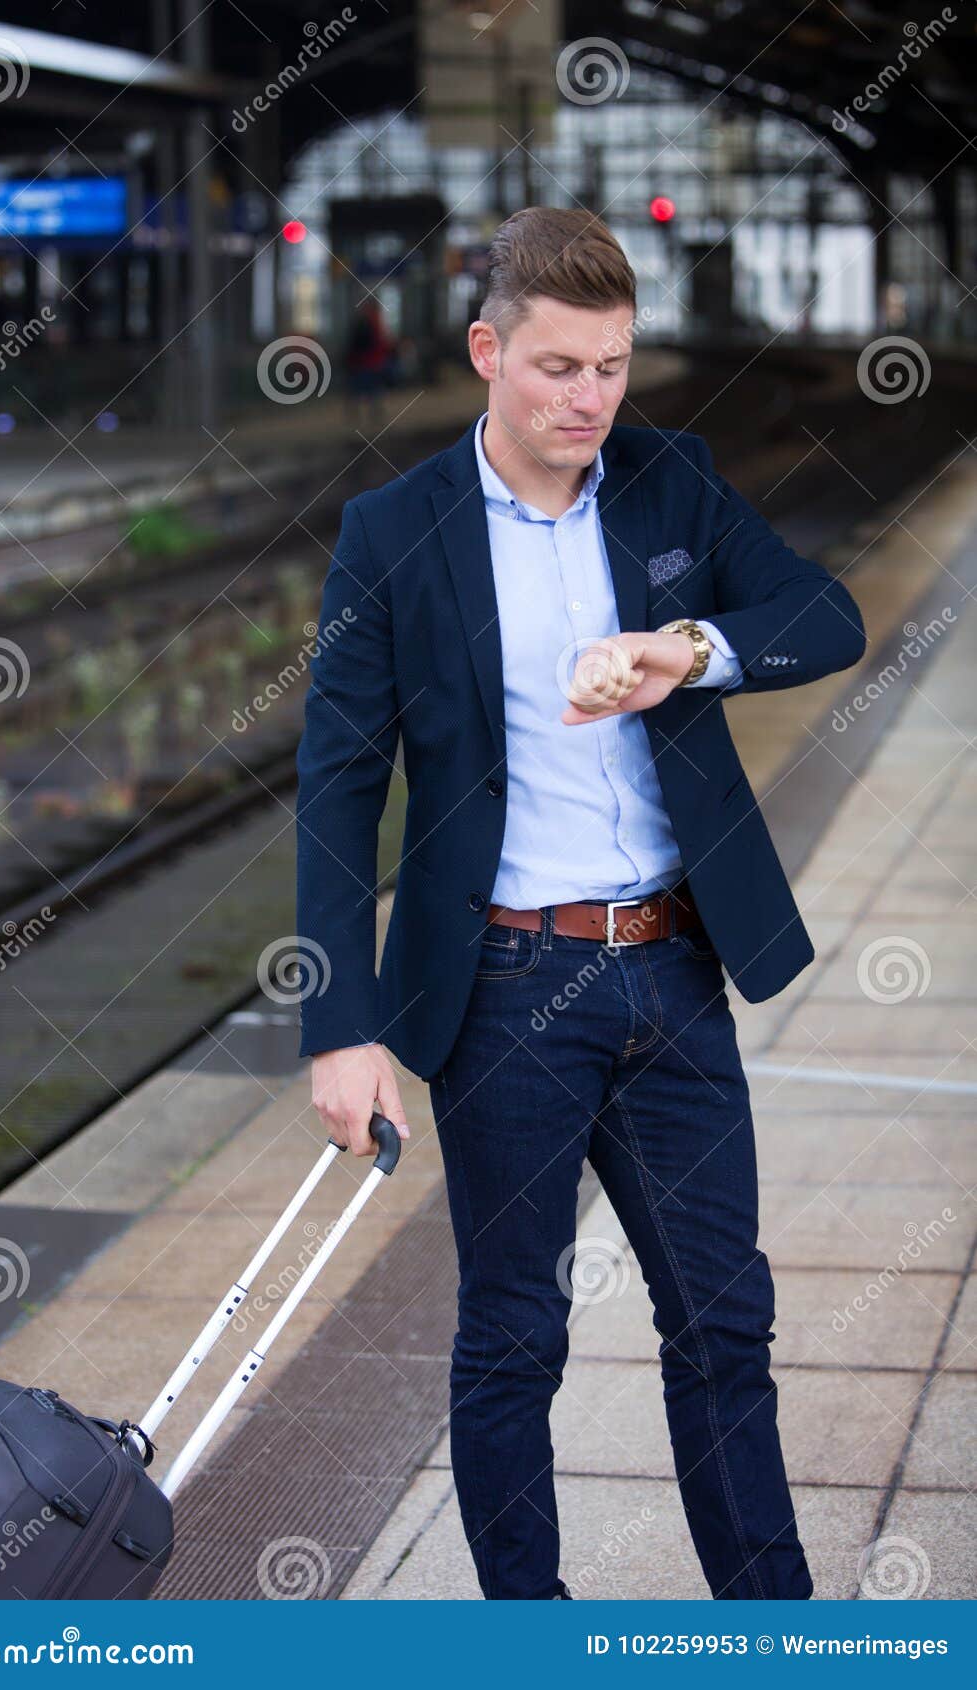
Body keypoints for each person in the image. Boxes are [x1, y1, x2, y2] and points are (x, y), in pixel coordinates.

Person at [295, 206, 867, 1601]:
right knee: (510, 1336)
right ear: (489, 350)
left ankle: (768, 1621)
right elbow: (333, 787)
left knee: (724, 1319)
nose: (585, 399)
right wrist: (339, 1026)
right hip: (499, 992)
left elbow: (827, 616)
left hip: (670, 969)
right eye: (555, 366)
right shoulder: (393, 533)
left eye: (607, 367)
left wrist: (689, 647)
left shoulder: (668, 482)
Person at [343, 296, 395, 431]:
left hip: (366, 363)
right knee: (372, 392)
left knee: (362, 392)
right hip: (370, 363)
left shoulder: (368, 322)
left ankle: (360, 418)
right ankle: (371, 418)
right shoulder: (374, 323)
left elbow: (356, 345)